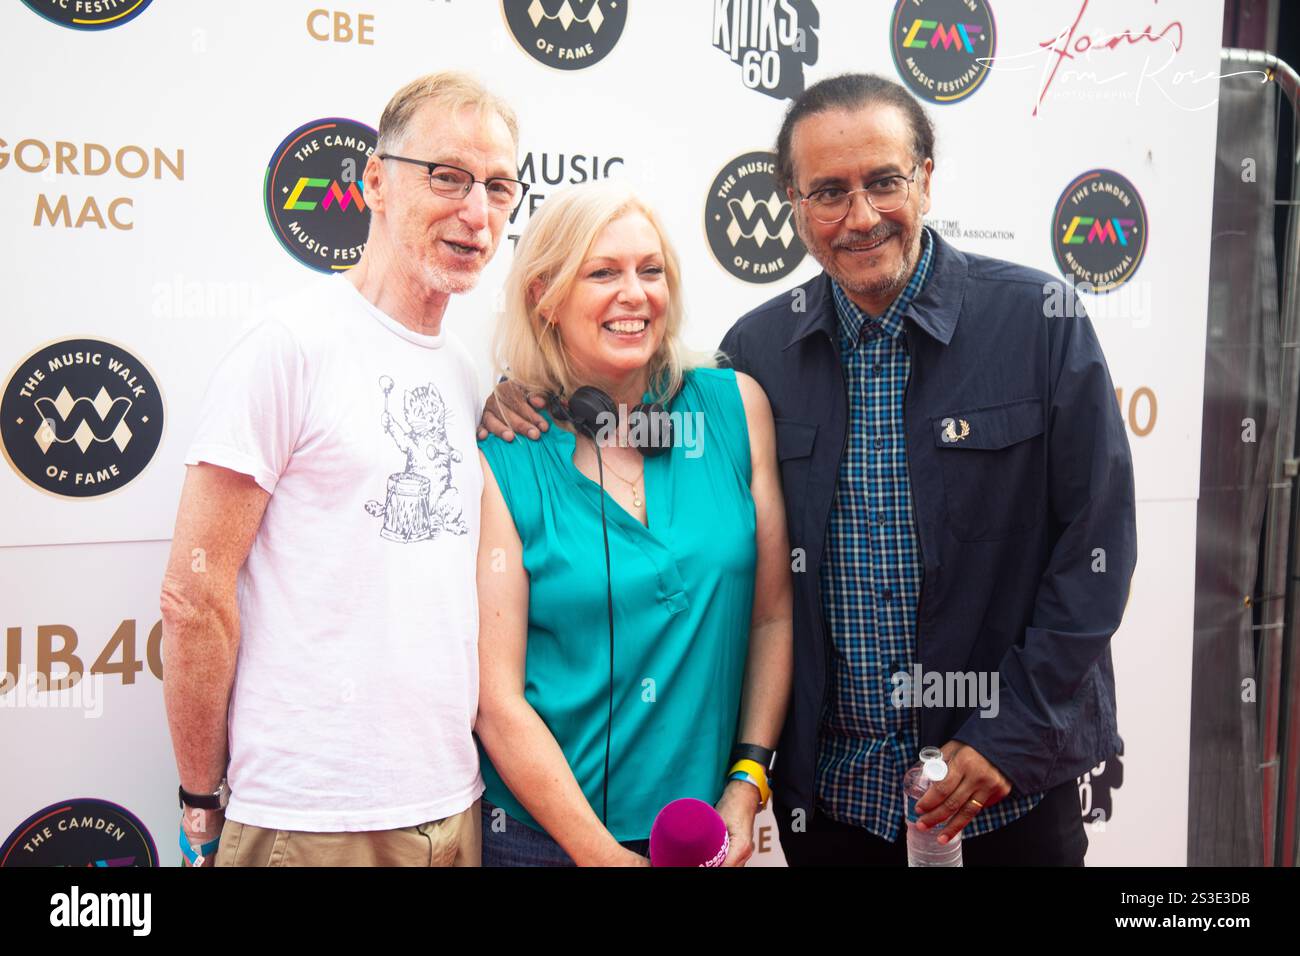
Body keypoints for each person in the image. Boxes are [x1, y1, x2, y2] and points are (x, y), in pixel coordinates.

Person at [480, 73, 1136, 866]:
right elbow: (622, 399)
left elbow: (1095, 555)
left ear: (926, 179)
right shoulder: (758, 356)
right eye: (827, 191)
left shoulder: (1039, 324)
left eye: (883, 182)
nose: (859, 217)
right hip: (836, 811)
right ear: (793, 205)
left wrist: (1011, 735)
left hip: (1004, 794)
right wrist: (523, 393)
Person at [160, 71, 523, 867]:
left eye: (499, 187)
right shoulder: (289, 344)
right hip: (311, 819)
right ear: (373, 182)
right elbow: (193, 595)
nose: (477, 213)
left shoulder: (463, 372)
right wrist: (198, 798)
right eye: (449, 177)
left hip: (453, 805)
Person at [474, 182, 793, 866]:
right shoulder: (503, 454)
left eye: (651, 271)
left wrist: (747, 780)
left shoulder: (735, 410)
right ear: (544, 297)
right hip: (541, 842)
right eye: (602, 272)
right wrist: (598, 854)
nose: (635, 293)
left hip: (697, 829)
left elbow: (771, 618)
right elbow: (496, 701)